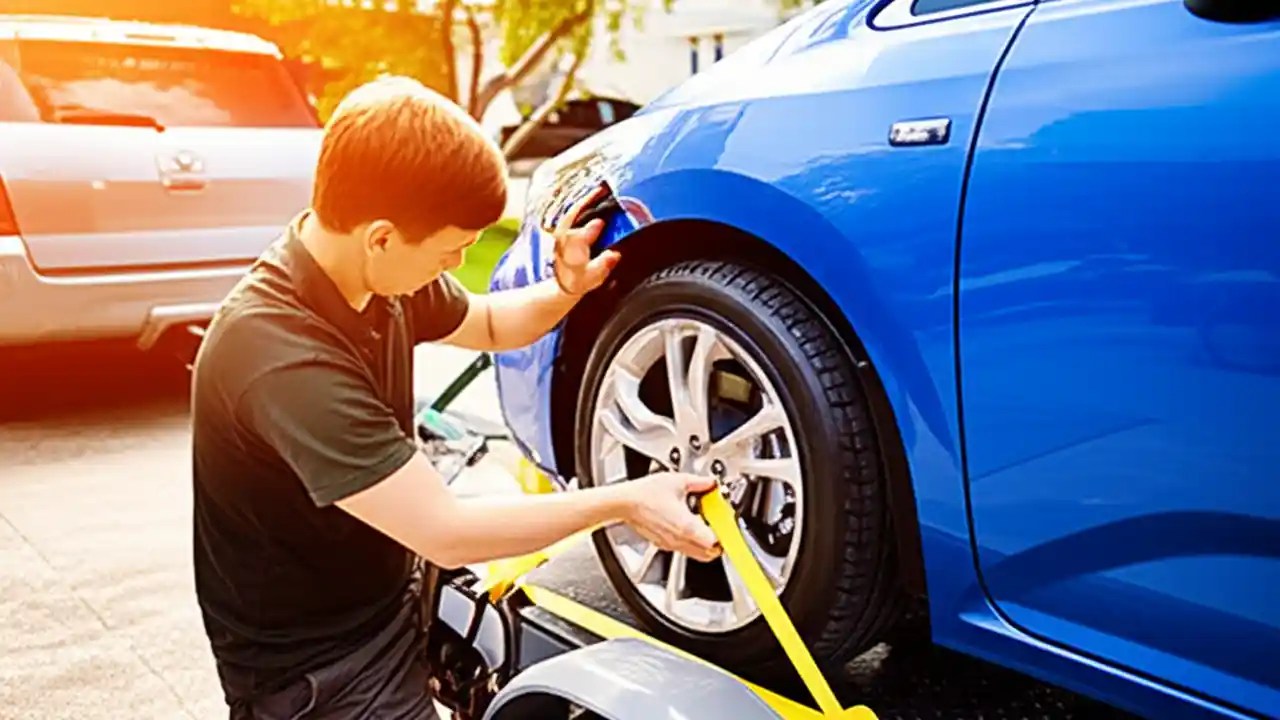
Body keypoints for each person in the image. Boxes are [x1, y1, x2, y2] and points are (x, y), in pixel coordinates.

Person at [189, 76, 721, 720]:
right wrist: (624, 502)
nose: (455, 266)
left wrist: (567, 289)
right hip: (321, 672)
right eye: (451, 252)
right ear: (381, 237)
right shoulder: (280, 356)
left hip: (384, 606)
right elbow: (448, 531)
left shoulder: (373, 277)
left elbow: (493, 324)